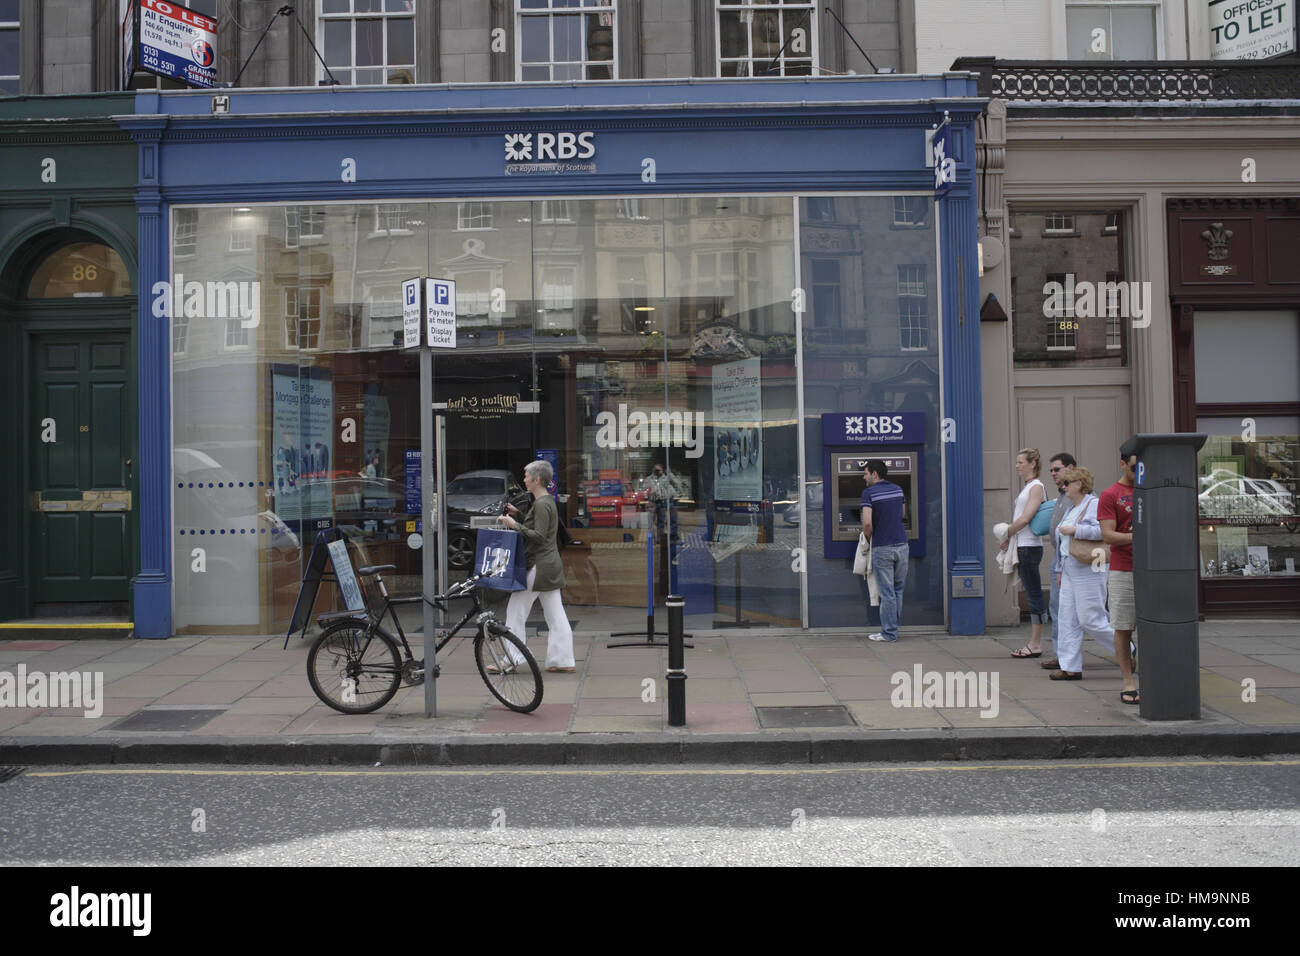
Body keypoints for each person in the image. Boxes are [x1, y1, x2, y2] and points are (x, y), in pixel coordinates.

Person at [499, 459, 575, 673]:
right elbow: (541, 527)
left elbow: (539, 536)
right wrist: (518, 515)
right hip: (549, 566)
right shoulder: (546, 501)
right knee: (555, 614)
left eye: (526, 476)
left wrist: (514, 525)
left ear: (536, 479)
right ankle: (563, 660)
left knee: (515, 611)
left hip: (537, 567)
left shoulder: (541, 504)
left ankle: (512, 658)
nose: (524, 479)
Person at [1053, 466, 1115, 680]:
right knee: (1067, 617)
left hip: (1090, 567)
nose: (1064, 487)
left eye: (1067, 483)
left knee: (1091, 618)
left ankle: (1127, 649)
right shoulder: (1073, 508)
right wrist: (1059, 568)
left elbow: (1103, 531)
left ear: (1079, 484)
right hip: (1071, 567)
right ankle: (1070, 667)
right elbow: (1063, 544)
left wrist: (1075, 530)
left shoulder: (1094, 503)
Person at [1099, 450, 1139, 704]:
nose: (1139, 473)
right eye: (1134, 467)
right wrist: (1139, 537)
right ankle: (1128, 680)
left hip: (1154, 571)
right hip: (1123, 568)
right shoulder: (1110, 494)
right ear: (1122, 463)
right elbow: (1108, 535)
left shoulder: (1151, 491)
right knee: (1123, 627)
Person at [1003, 448, 1048, 658]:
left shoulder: (1036, 487)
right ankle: (1035, 641)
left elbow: (1025, 518)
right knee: (1032, 592)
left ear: (1032, 464)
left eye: (1021, 462)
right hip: (1025, 544)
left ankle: (1036, 643)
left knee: (1033, 594)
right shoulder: (1030, 487)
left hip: (1028, 546)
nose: (1017, 465)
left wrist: (1006, 533)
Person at [861, 459, 909, 643]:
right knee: (898, 590)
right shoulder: (898, 489)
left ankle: (889, 633)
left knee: (887, 593)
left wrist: (866, 540)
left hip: (883, 546)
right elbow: (903, 514)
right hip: (902, 545)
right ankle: (893, 629)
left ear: (874, 474)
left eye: (865, 473)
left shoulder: (868, 493)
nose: (864, 477)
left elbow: (866, 523)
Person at [1039, 452, 1076, 671]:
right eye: (1051, 470)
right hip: (1059, 558)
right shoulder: (1063, 493)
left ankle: (1125, 648)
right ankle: (1062, 655)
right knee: (1057, 607)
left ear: (1070, 468)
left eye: (1057, 469)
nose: (1053, 474)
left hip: (1072, 559)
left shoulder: (1079, 494)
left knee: (1088, 612)